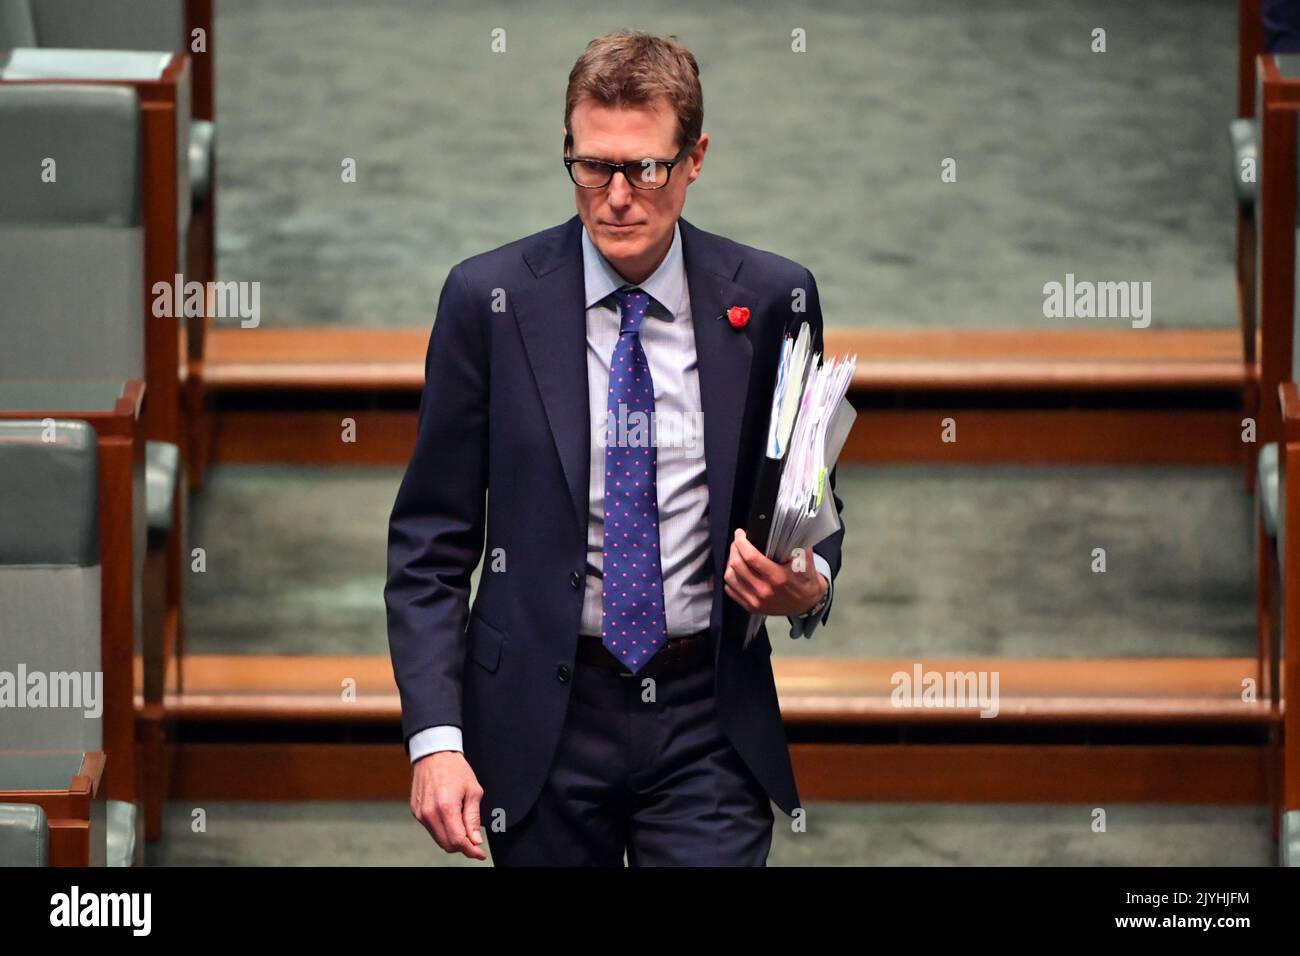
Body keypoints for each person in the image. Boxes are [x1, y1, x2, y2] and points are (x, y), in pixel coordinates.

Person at [385, 29, 844, 866]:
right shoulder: (486, 302)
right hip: (540, 718)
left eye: (646, 168)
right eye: (593, 166)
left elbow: (810, 506)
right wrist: (435, 737)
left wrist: (805, 584)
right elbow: (430, 542)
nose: (618, 196)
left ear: (695, 156)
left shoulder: (777, 299)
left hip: (707, 717)